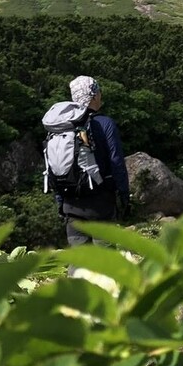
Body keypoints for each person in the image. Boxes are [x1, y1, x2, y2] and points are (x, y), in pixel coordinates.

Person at [53, 75, 130, 245]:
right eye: (99, 92)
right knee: (105, 261)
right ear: (94, 95)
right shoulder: (105, 123)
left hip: (71, 204)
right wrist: (124, 196)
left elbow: (56, 167)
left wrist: (60, 201)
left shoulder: (61, 128)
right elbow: (116, 162)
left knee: (80, 260)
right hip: (101, 205)